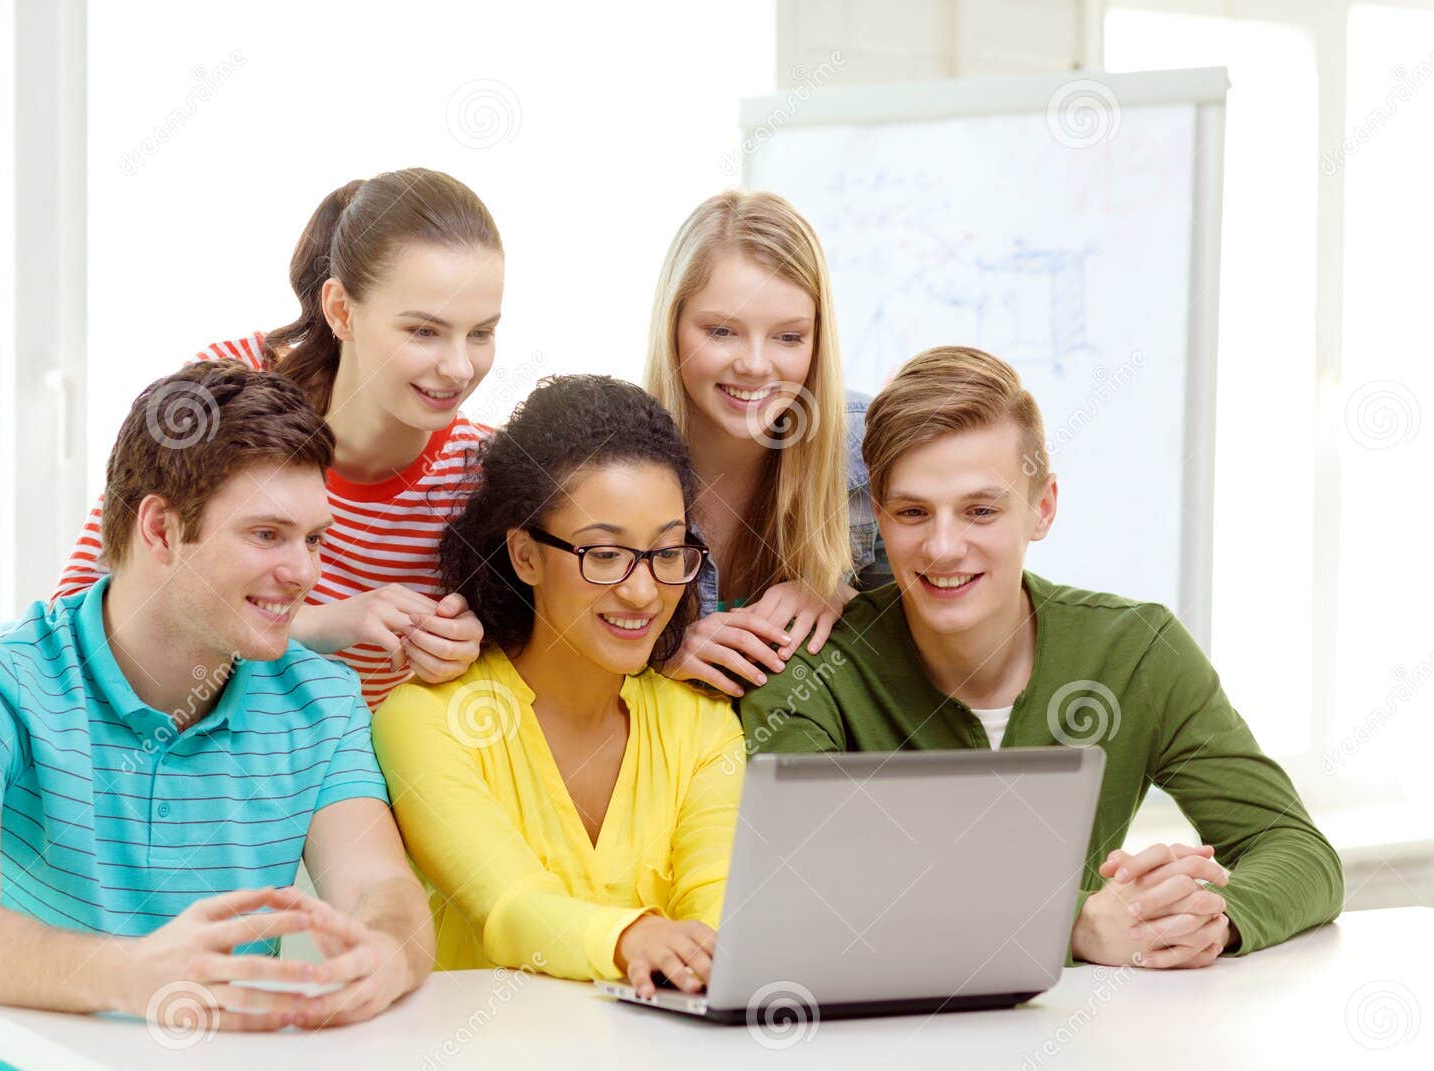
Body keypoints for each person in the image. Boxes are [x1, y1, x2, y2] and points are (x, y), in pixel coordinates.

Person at [0, 361, 434, 1071]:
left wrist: (388, 952)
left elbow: (382, 891)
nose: (304, 573)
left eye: (315, 539)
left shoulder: (321, 701)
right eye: (268, 534)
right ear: (162, 529)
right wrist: (137, 974)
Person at [741, 346, 1343, 968]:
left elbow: (1296, 848)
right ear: (880, 522)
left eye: (981, 510)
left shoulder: (1137, 650)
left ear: (1043, 508)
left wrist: (1203, 921)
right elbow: (802, 894)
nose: (944, 547)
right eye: (913, 512)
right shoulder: (808, 666)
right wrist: (1075, 924)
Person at [54, 168, 505, 709]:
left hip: (337, 776)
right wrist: (315, 625)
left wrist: (467, 660)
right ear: (341, 310)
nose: (459, 367)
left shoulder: (482, 476)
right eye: (423, 330)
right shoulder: (224, 393)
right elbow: (82, 609)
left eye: (481, 332)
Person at [373, 375, 744, 999]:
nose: (643, 592)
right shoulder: (426, 719)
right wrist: (631, 940)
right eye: (604, 555)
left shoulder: (704, 725)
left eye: (667, 552)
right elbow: (510, 910)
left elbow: (721, 911)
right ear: (526, 556)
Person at [643, 190, 890, 699]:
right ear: (673, 326)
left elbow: (937, 621)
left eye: (788, 337)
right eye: (722, 331)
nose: (756, 365)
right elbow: (550, 651)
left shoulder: (865, 446)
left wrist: (845, 598)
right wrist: (652, 653)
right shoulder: (606, 462)